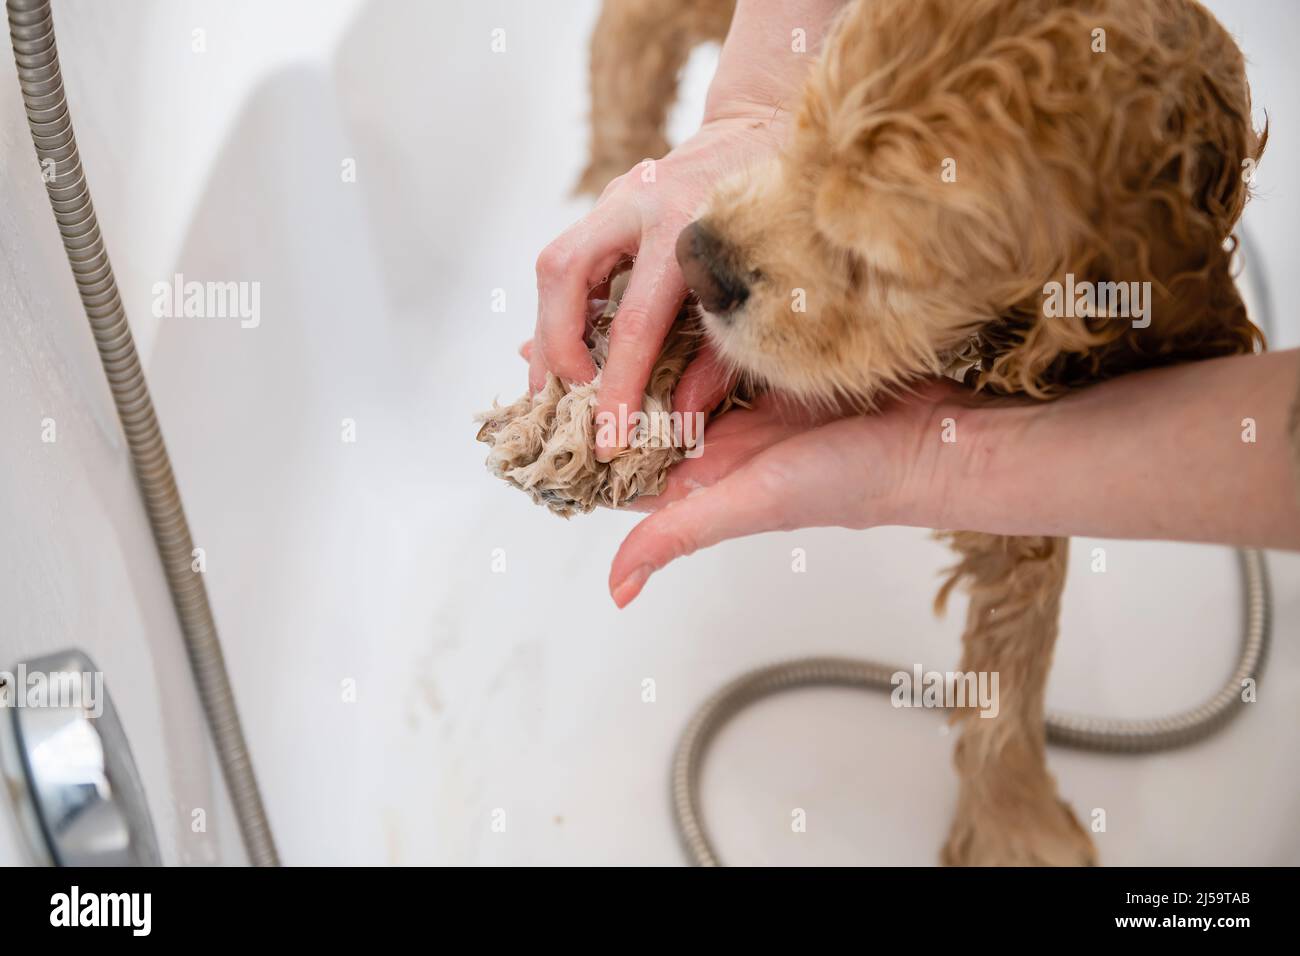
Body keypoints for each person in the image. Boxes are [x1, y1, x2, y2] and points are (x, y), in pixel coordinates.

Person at [524, 1, 1300, 608]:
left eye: (871, 256)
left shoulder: (1099, 304)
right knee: (639, 19)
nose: (705, 249)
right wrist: (757, 105)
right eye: (820, 121)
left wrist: (962, 459)